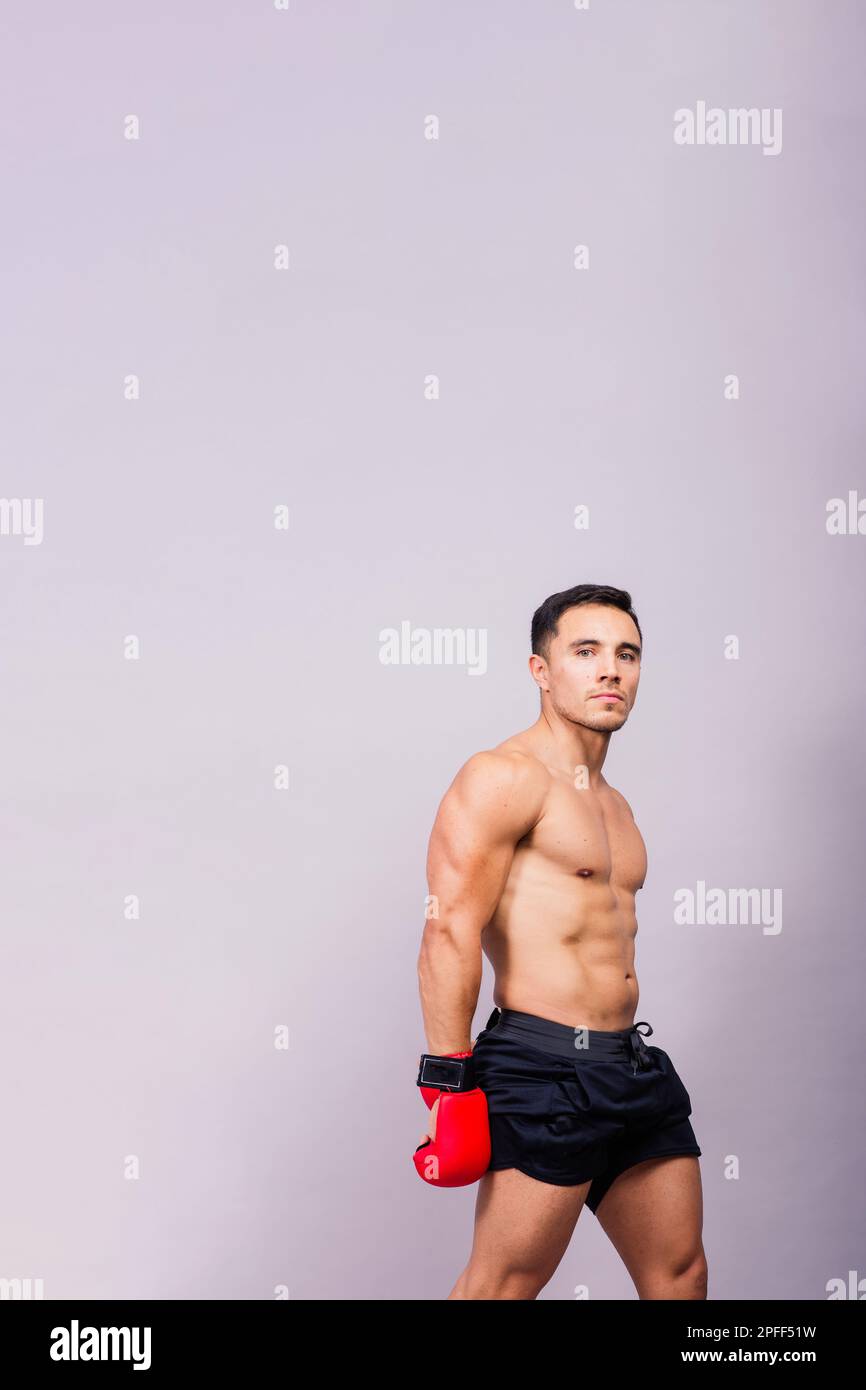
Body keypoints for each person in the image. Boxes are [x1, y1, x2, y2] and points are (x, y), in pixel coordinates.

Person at [415, 583, 707, 1300]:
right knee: (504, 1284)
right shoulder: (503, 777)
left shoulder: (614, 803)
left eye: (626, 654)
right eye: (586, 652)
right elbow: (448, 926)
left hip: (629, 1066)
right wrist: (447, 1082)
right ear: (540, 671)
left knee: (680, 1276)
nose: (611, 670)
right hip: (541, 1070)